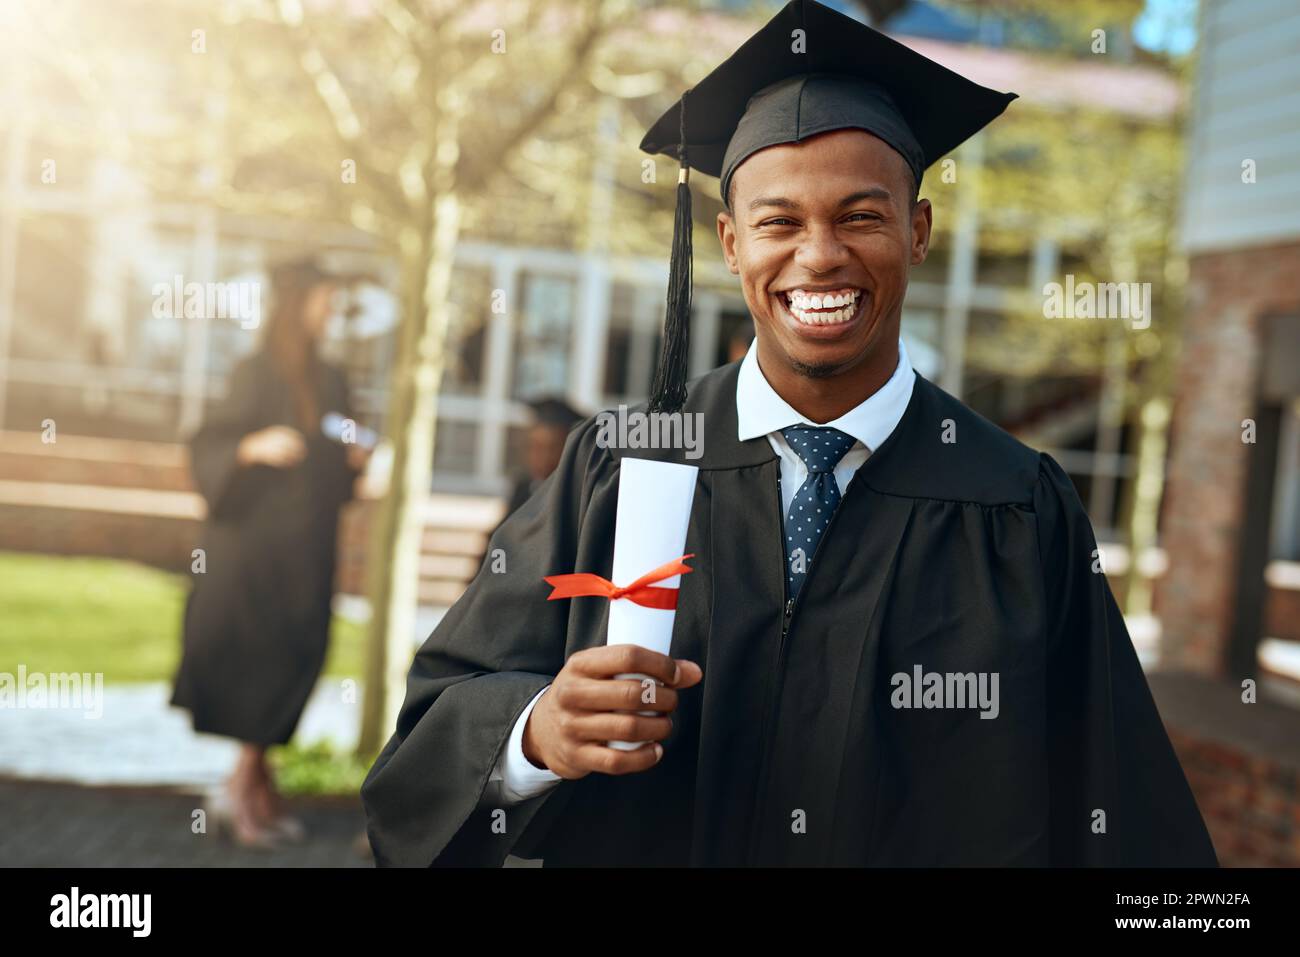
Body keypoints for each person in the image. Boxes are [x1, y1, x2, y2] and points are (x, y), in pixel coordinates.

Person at [361, 0, 1217, 866]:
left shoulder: (1019, 507)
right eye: (779, 222)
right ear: (731, 244)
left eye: (860, 216)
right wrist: (536, 731)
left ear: (916, 232)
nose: (818, 256)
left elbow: (1122, 809)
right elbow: (432, 734)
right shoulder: (622, 462)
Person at [172, 258, 369, 848]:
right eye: (324, 300)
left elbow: (335, 459)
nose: (331, 312)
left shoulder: (330, 378)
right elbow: (207, 442)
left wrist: (354, 461)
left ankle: (254, 787)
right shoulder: (254, 372)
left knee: (295, 654)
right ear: (297, 304)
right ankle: (242, 792)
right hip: (251, 552)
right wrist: (249, 447)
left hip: (305, 552)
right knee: (257, 660)